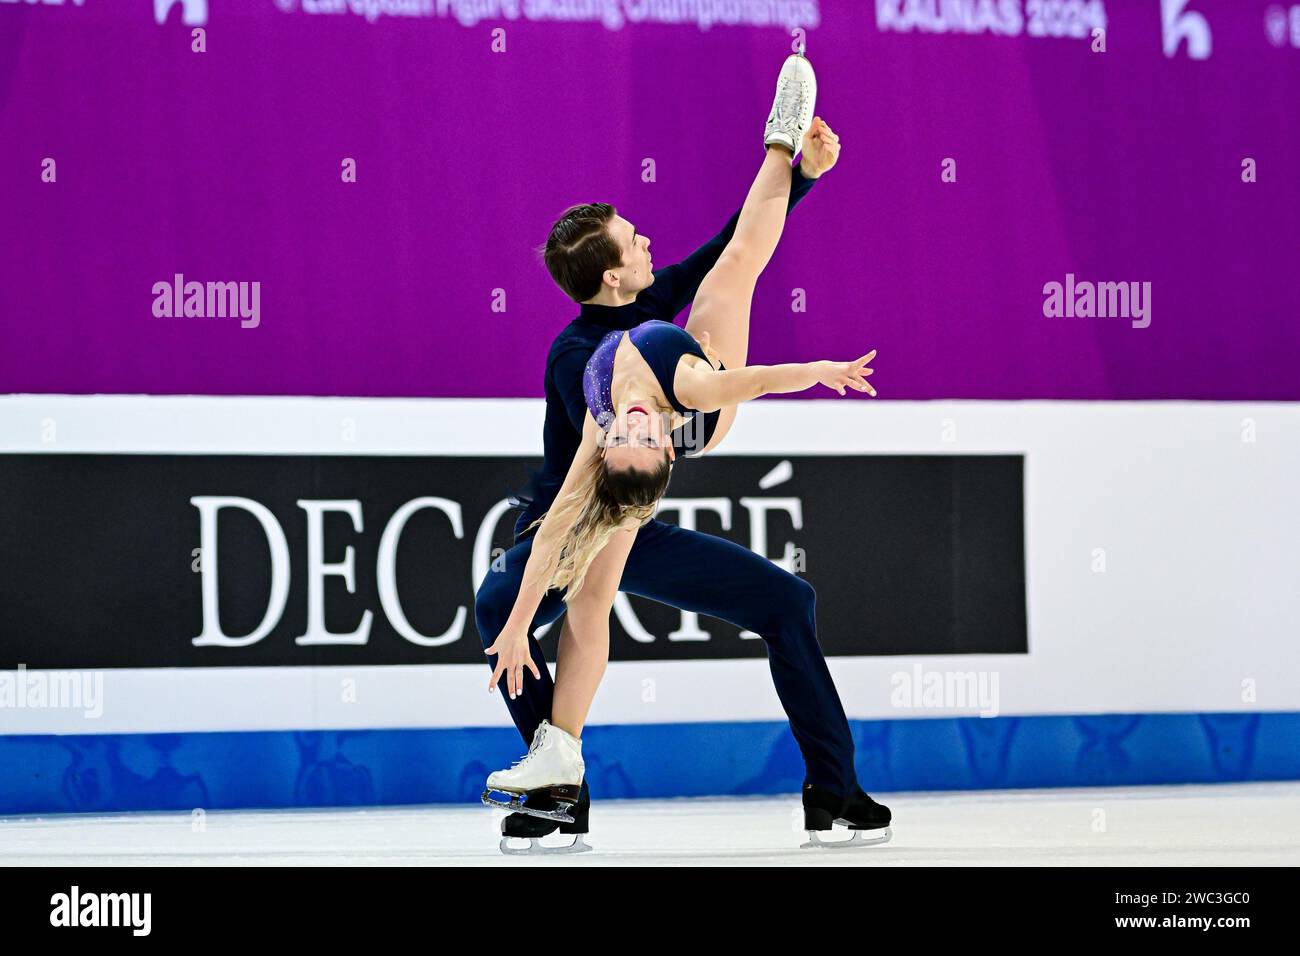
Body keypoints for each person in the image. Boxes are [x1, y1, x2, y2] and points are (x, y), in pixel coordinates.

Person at [476, 53, 890, 854]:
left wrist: (800, 173)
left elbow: (730, 251)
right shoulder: (577, 360)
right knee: (503, 610)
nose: (649, 244)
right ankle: (558, 783)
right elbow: (587, 492)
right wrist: (527, 610)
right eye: (634, 241)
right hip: (598, 493)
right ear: (608, 274)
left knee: (786, 603)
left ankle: (832, 793)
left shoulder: (651, 305)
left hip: (658, 463)